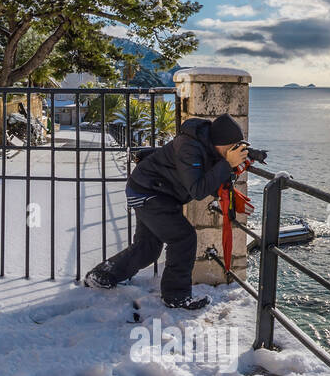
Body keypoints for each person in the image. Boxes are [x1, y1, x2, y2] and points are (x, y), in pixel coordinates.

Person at [85, 113, 250, 309]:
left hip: (156, 191)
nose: (235, 151)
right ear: (220, 143)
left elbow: (209, 183)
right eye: (232, 147)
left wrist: (230, 168)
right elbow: (197, 190)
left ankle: (102, 275)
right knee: (183, 238)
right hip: (149, 192)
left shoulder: (208, 148)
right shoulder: (190, 147)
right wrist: (226, 164)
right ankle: (176, 296)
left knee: (148, 249)